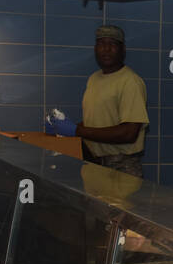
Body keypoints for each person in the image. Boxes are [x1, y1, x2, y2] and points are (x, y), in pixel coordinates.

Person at [44, 24, 149, 177]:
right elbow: (95, 122)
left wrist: (76, 130)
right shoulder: (94, 79)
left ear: (123, 50)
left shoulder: (130, 81)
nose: (106, 49)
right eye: (101, 44)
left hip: (121, 167)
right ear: (95, 49)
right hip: (94, 164)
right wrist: (64, 129)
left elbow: (129, 133)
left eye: (112, 44)